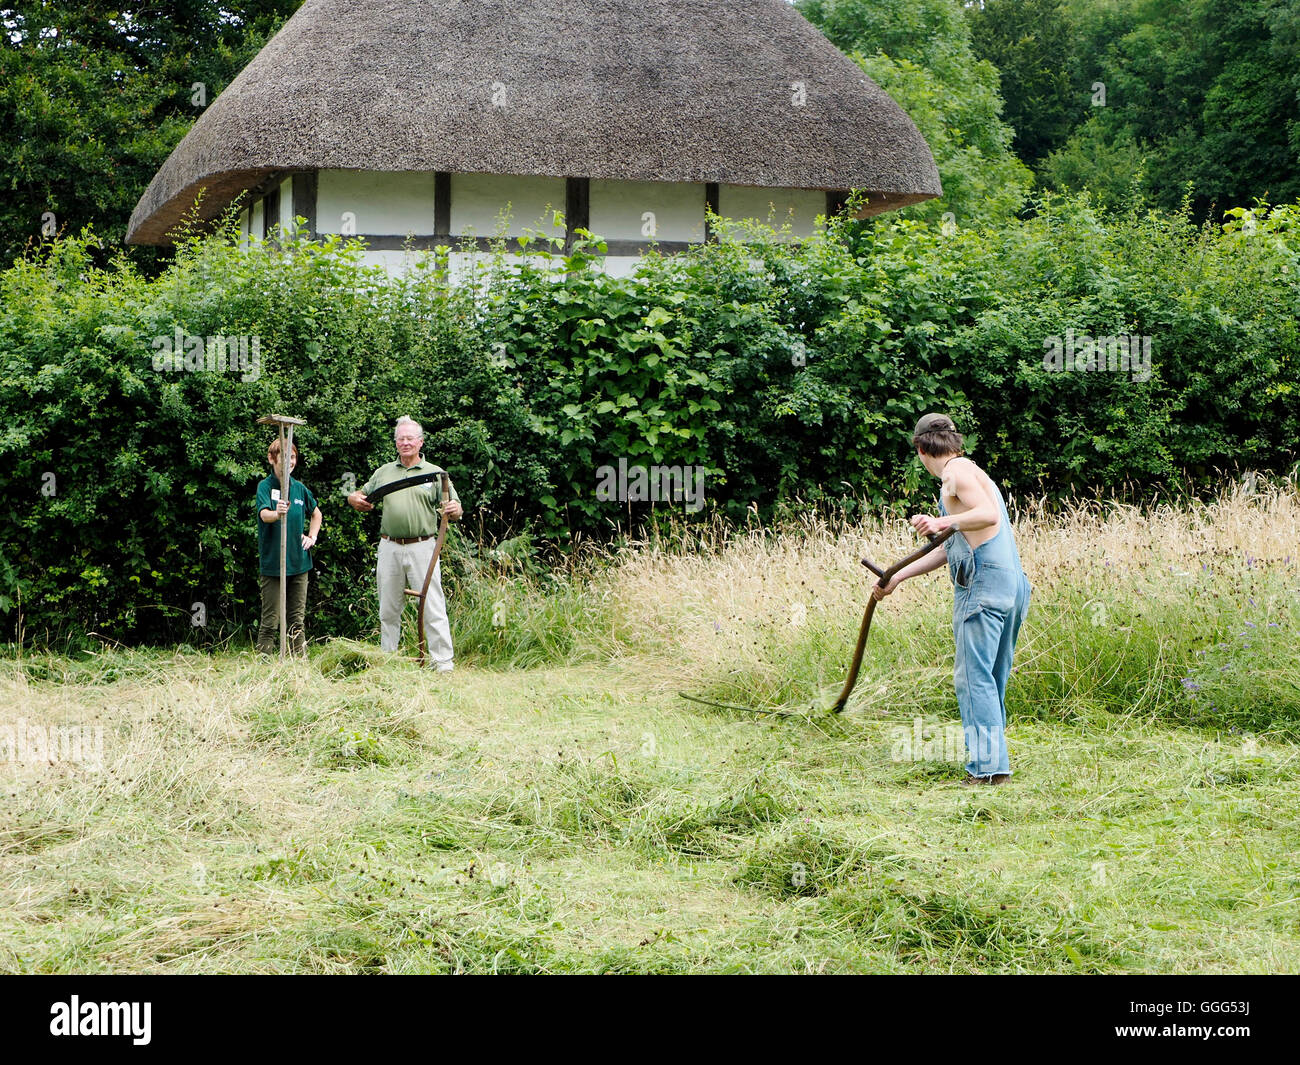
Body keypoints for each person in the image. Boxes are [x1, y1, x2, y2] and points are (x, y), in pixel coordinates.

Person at [871, 413, 1031, 785]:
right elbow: (954, 547)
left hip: (984, 586)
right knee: (990, 677)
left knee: (973, 678)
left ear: (922, 449)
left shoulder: (954, 475)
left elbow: (987, 516)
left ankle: (989, 771)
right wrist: (897, 577)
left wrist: (943, 522)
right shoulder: (975, 473)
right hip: (1011, 586)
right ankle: (995, 764)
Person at [347, 416, 463, 670]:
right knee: (388, 607)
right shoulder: (384, 472)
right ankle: (388, 660)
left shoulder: (435, 474)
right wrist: (353, 499)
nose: (405, 443)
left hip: (423, 546)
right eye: (401, 438)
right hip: (389, 547)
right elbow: (361, 496)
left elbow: (454, 508)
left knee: (432, 603)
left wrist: (454, 508)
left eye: (410, 438)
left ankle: (442, 663)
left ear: (420, 442)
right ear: (396, 443)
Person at [255, 436, 322, 656]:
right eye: (284, 456)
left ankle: (298, 669)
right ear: (271, 459)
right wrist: (277, 513)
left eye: (292, 457)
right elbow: (264, 515)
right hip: (274, 563)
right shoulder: (265, 487)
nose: (289, 461)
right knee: (269, 622)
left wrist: (311, 536)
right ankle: (263, 667)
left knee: (296, 621)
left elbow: (316, 514)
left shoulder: (299, 488)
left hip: (299, 563)